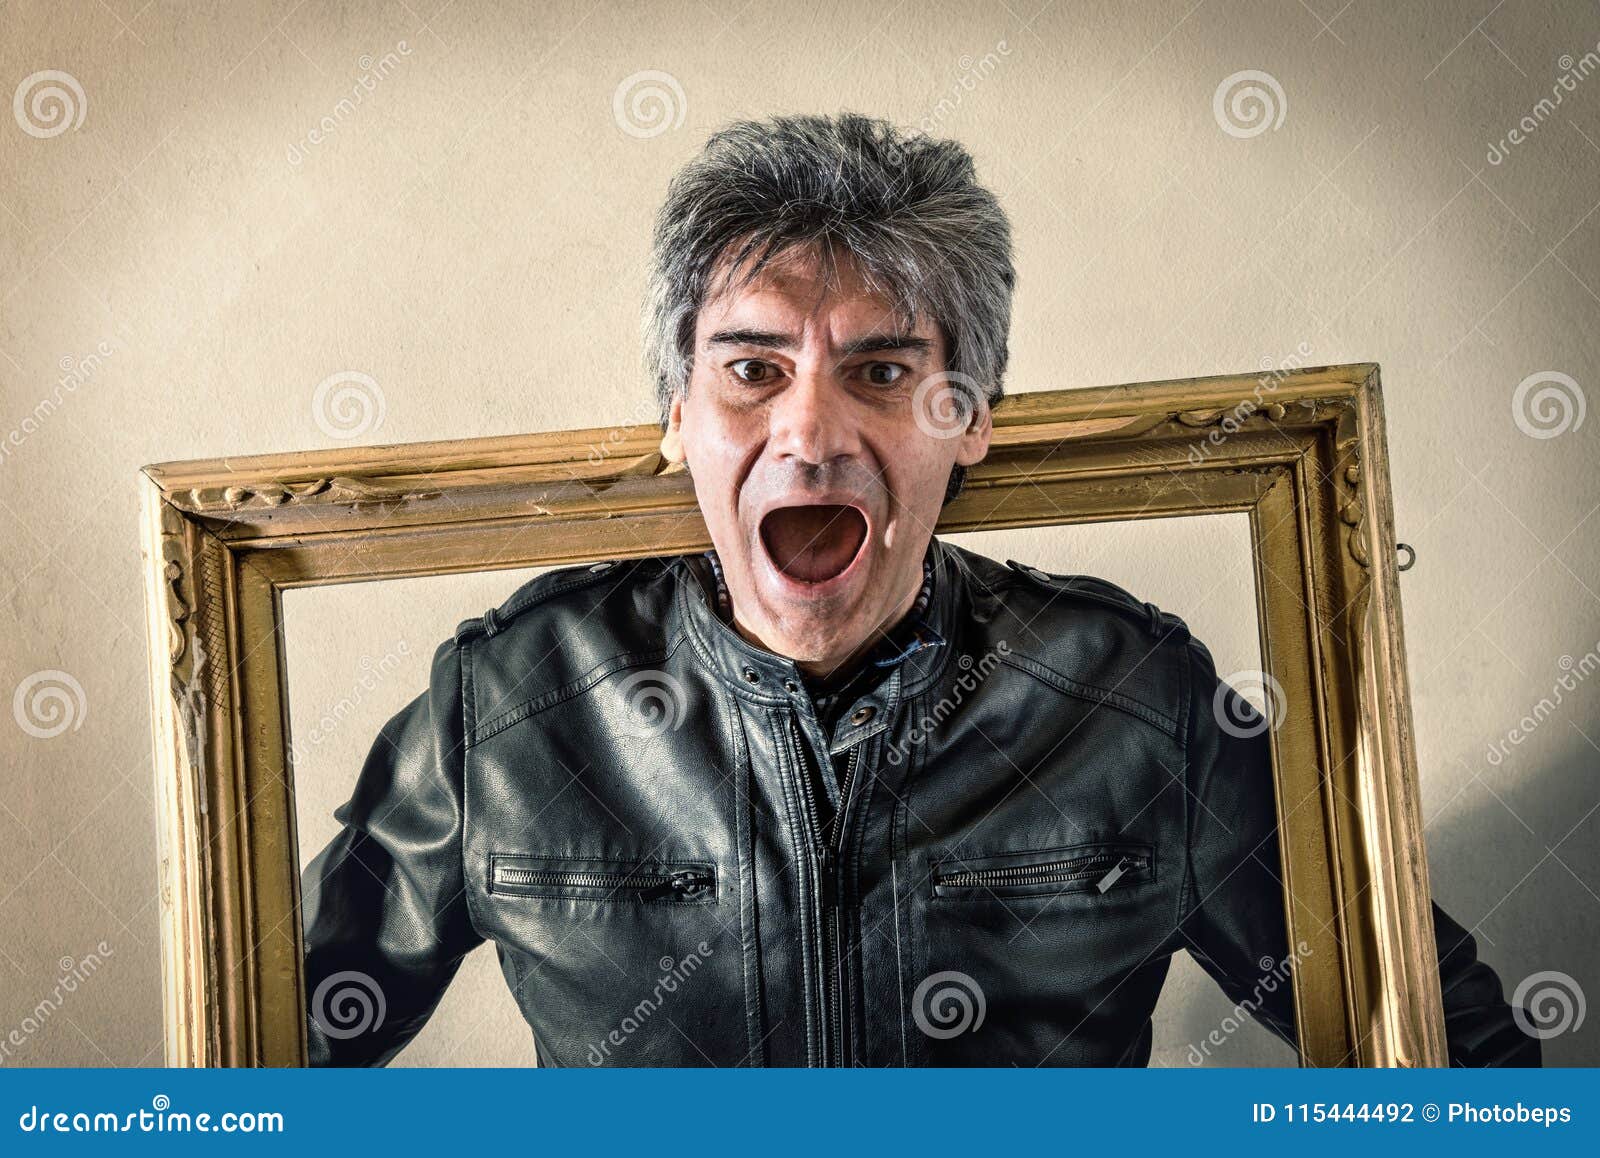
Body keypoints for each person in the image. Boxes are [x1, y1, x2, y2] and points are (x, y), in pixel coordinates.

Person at [301, 112, 1540, 1067]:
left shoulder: (1132, 700)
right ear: (676, 416)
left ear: (968, 417)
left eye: (882, 369)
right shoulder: (511, 701)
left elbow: (1455, 1058)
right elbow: (265, 1055)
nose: (810, 432)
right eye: (751, 368)